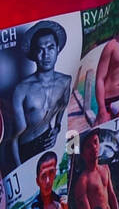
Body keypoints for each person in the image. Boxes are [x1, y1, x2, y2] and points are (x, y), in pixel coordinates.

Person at [8, 21, 72, 167]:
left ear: (57, 49)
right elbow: (14, 138)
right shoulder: (21, 89)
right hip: (27, 149)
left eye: (50, 48)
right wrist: (20, 169)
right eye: (40, 49)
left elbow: (62, 105)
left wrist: (57, 128)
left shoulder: (65, 81)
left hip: (50, 145)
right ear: (34, 53)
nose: (46, 55)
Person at [72, 129, 119, 209]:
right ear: (82, 153)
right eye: (88, 146)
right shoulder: (82, 181)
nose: (94, 147)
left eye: (95, 142)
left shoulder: (105, 168)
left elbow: (112, 195)